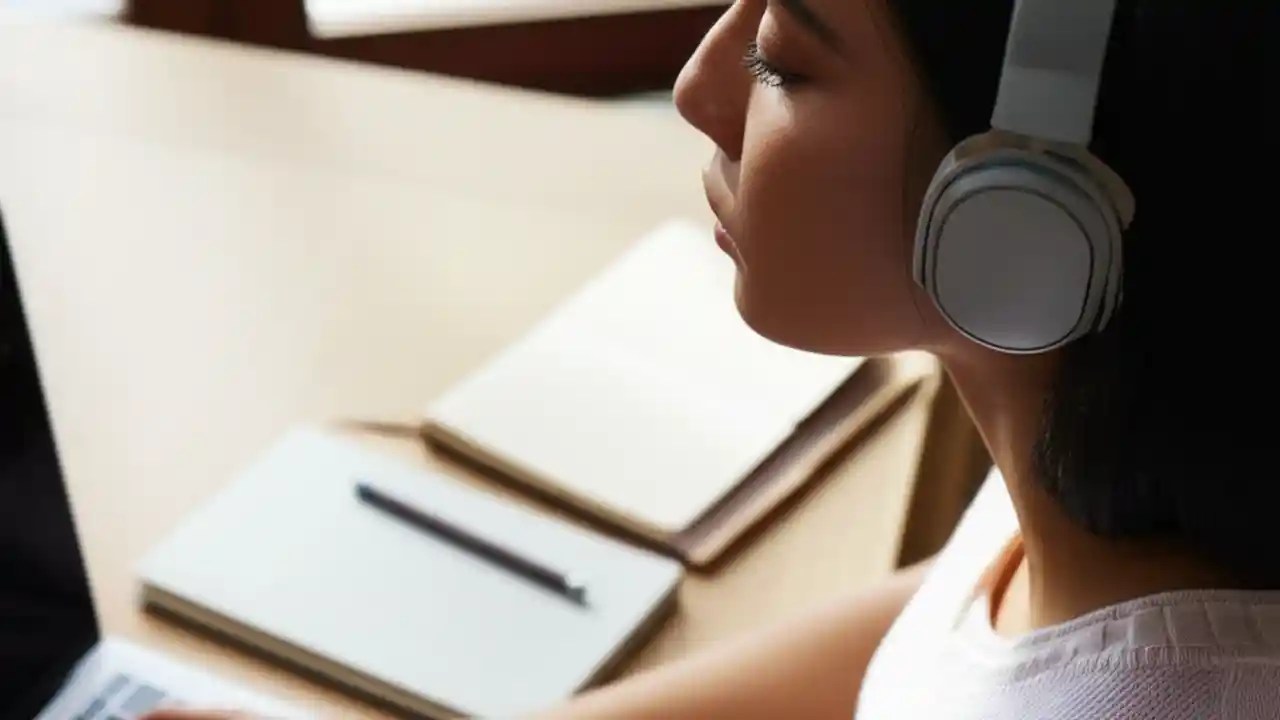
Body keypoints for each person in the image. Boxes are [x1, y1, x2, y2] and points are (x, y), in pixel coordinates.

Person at [147, 0, 1280, 718]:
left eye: (783, 58)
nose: (696, 86)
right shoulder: (1104, 483)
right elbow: (947, 636)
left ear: (1022, 226)